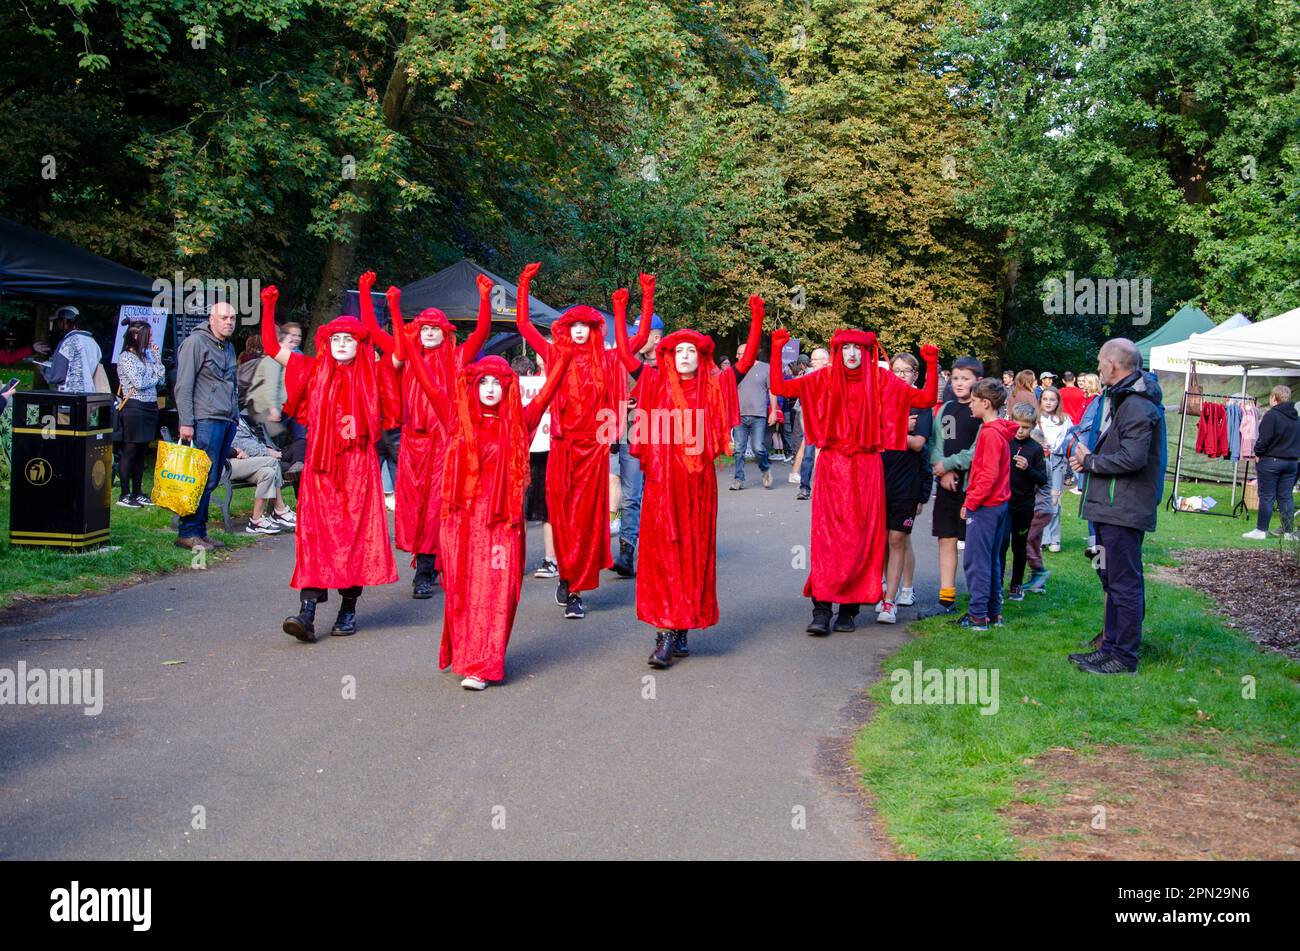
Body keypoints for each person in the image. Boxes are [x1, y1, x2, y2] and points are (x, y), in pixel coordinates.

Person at [400, 308, 568, 689]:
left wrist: (567, 352)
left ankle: (486, 661)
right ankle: (468, 652)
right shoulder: (455, 418)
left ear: (507, 387)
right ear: (473, 386)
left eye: (498, 382)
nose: (491, 388)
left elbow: (549, 387)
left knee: (496, 591)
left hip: (502, 524)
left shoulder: (520, 421)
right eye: (484, 382)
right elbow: (425, 379)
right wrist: (404, 330)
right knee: (462, 591)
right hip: (461, 523)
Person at [614, 288, 761, 668]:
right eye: (678, 350)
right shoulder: (653, 382)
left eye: (690, 351)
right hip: (663, 488)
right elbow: (624, 354)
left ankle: (681, 628)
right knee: (664, 557)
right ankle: (665, 632)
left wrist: (756, 318)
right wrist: (629, 307)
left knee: (692, 557)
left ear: (701, 357)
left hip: (697, 489)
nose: (684, 356)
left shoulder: (715, 385)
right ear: (667, 354)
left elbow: (744, 364)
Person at [769, 323, 939, 635]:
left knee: (862, 539)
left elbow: (926, 399)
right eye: (845, 347)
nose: (850, 353)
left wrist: (930, 363)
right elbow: (780, 388)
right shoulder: (822, 377)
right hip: (833, 466)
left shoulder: (881, 379)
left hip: (867, 468)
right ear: (836, 351)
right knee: (827, 540)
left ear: (867, 351)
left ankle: (849, 609)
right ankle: (822, 608)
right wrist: (777, 348)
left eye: (856, 348)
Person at [260, 284, 401, 642]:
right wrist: (269, 307)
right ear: (327, 342)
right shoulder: (311, 368)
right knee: (316, 538)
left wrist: (383, 304)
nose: (341, 343)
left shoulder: (374, 372)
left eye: (349, 338)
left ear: (359, 344)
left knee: (353, 538)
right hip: (321, 470)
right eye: (336, 337)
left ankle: (348, 610)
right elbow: (272, 349)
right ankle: (307, 613)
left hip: (358, 470)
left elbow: (400, 351)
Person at [515, 263, 639, 620]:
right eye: (574, 326)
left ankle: (575, 588)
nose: (580, 331)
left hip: (593, 452)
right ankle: (566, 574)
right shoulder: (556, 355)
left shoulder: (606, 359)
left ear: (594, 329)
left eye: (585, 325)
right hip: (562, 448)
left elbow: (639, 339)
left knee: (586, 521)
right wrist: (524, 284)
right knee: (563, 517)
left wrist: (634, 304)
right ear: (566, 330)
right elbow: (524, 325)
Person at [364, 272, 490, 598]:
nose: (430, 333)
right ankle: (426, 563)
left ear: (444, 332)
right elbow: (377, 332)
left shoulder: (458, 357)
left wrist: (485, 298)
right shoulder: (406, 356)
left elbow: (482, 332)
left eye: (435, 328)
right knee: (414, 505)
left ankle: (432, 566)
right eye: (425, 328)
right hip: (414, 442)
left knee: (441, 503)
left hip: (448, 442)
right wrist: (372, 295)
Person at [1068, 338, 1164, 674]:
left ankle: (1124, 657)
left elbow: (1134, 458)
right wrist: (1089, 461)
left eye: (1099, 362)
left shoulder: (1137, 405)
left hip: (1123, 509)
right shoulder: (1122, 399)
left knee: (1123, 582)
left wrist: (1091, 461)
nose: (1096, 367)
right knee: (1110, 577)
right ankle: (1109, 647)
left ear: (1112, 365)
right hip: (1110, 508)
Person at [173, 301, 240, 551]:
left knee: (211, 479)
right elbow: (184, 385)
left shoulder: (228, 346)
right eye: (224, 317)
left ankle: (200, 532)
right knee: (199, 479)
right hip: (204, 420)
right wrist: (186, 422)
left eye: (233, 318)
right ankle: (187, 532)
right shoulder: (195, 343)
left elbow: (231, 384)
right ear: (211, 319)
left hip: (225, 420)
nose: (229, 322)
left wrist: (234, 416)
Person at [877, 353, 935, 623]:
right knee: (879, 540)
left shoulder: (920, 403)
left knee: (898, 538)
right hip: (877, 478)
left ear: (915, 375)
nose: (900, 376)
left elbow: (918, 443)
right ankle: (884, 590)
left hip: (906, 481)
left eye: (905, 371)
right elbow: (870, 435)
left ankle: (892, 601)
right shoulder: (880, 399)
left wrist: (891, 432)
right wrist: (901, 428)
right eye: (895, 370)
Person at [957, 379, 1019, 630]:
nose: (970, 405)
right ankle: (993, 612)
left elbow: (987, 475)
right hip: (999, 505)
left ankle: (978, 615)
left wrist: (970, 502)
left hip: (986, 506)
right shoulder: (998, 432)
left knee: (977, 561)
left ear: (985, 403)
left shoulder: (990, 433)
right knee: (991, 558)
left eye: (973, 401)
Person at [926, 357, 984, 614]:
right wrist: (941, 468)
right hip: (947, 485)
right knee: (946, 538)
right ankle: (946, 597)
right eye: (956, 378)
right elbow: (935, 442)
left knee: (974, 542)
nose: (959, 383)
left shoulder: (981, 409)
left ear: (977, 381)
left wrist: (950, 464)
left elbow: (978, 449)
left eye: (966, 379)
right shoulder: (946, 408)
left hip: (971, 487)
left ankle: (980, 598)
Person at [612, 311, 663, 578]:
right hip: (632, 439)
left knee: (660, 498)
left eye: (640, 333)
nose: (635, 338)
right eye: (633, 333)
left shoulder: (674, 365)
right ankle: (627, 554)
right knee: (631, 497)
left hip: (665, 443)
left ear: (656, 337)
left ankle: (660, 553)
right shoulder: (629, 365)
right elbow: (615, 396)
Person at [114, 320, 164, 508]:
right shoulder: (126, 357)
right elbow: (139, 382)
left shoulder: (147, 356)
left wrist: (156, 360)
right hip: (134, 407)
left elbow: (161, 377)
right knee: (130, 449)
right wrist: (154, 375)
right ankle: (125, 494)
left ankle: (138, 492)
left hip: (150, 406)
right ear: (136, 336)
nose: (151, 339)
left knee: (142, 450)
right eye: (148, 336)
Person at [1000, 402, 1047, 601]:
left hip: (1024, 505)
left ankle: (1016, 585)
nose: (1020, 431)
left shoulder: (1035, 449)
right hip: (1004, 502)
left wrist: (1028, 468)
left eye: (1026, 427)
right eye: (1018, 425)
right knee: (1001, 544)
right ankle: (997, 585)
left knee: (1019, 546)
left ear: (1033, 427)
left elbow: (1042, 479)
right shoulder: (1004, 442)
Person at [1244, 385, 1299, 540]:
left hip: (1271, 461)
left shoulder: (1271, 415)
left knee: (1267, 496)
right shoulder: (1296, 417)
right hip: (1291, 463)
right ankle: (1288, 533)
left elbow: (1264, 438)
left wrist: (1258, 453)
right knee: (1286, 497)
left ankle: (1261, 530)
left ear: (1274, 397)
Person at [229, 416, 297, 534]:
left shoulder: (235, 416)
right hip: (226, 464)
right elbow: (215, 447)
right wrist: (236, 451)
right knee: (272, 462)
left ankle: (256, 521)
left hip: (242, 460)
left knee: (268, 472)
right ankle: (279, 510)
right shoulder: (214, 419)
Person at [730, 333, 778, 491]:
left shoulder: (765, 368)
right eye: (737, 353)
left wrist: (774, 412)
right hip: (739, 415)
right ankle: (738, 479)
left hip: (759, 415)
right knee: (738, 450)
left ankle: (765, 469)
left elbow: (773, 391)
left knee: (758, 448)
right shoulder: (734, 371)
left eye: (741, 353)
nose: (738, 356)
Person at [1037, 386, 1073, 552]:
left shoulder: (1065, 420)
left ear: (1057, 401)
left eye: (1052, 399)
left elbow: (1070, 440)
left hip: (1057, 463)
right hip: (1039, 464)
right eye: (1045, 399)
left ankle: (1054, 538)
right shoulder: (1036, 419)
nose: (1048, 402)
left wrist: (1056, 447)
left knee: (1054, 500)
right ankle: (1042, 537)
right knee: (1039, 501)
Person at [44, 306, 107, 394]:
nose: (57, 325)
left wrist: (44, 369)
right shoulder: (93, 343)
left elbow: (57, 377)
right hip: (89, 396)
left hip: (68, 398)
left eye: (58, 321)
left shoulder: (67, 343)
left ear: (65, 321)